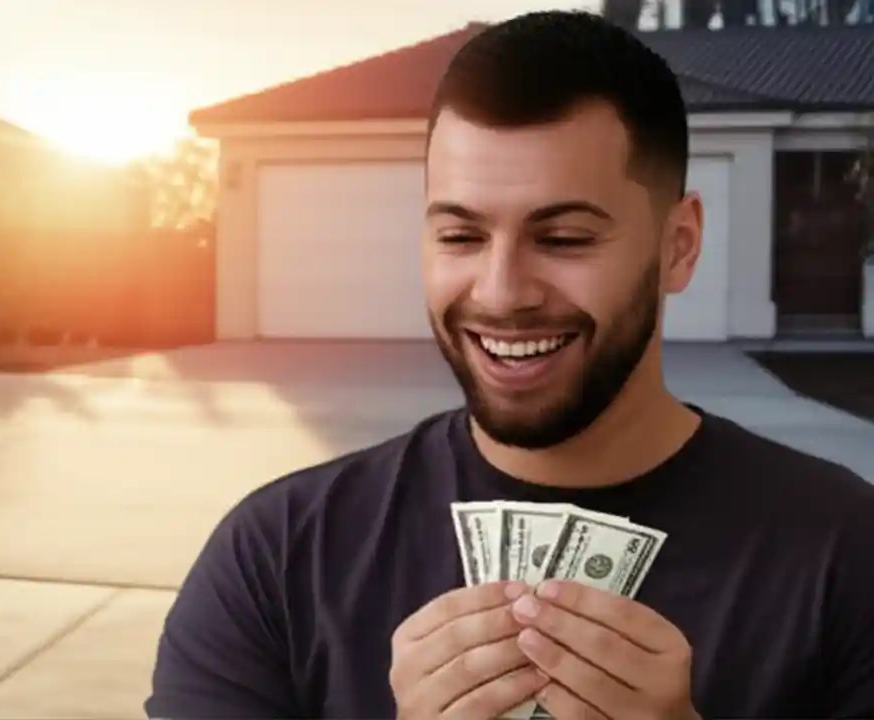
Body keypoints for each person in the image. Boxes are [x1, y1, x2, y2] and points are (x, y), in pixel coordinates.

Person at [144, 10, 874, 719]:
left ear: (677, 247)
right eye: (461, 236)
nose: (500, 294)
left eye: (563, 238)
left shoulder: (846, 553)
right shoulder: (276, 557)